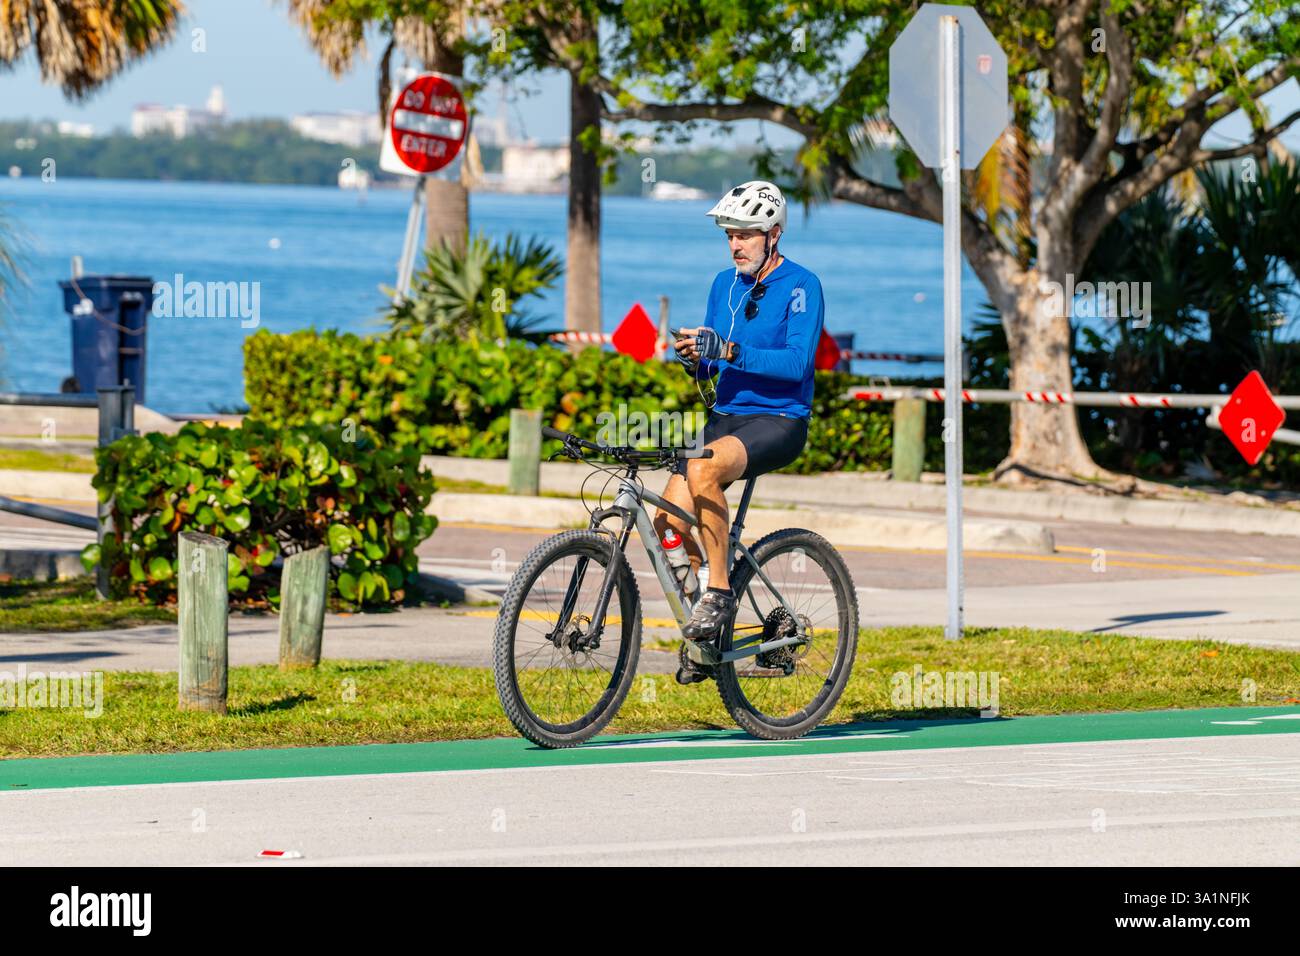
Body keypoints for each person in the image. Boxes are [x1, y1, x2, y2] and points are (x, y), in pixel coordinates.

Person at [652, 180, 825, 683]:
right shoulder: (722, 285)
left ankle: (720, 592)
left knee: (702, 468)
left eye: (746, 235)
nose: (735, 244)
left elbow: (796, 363)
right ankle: (709, 632)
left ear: (773, 235)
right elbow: (714, 361)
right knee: (665, 525)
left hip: (779, 419)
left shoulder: (801, 285)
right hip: (725, 417)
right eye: (730, 234)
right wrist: (696, 359)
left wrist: (728, 351)